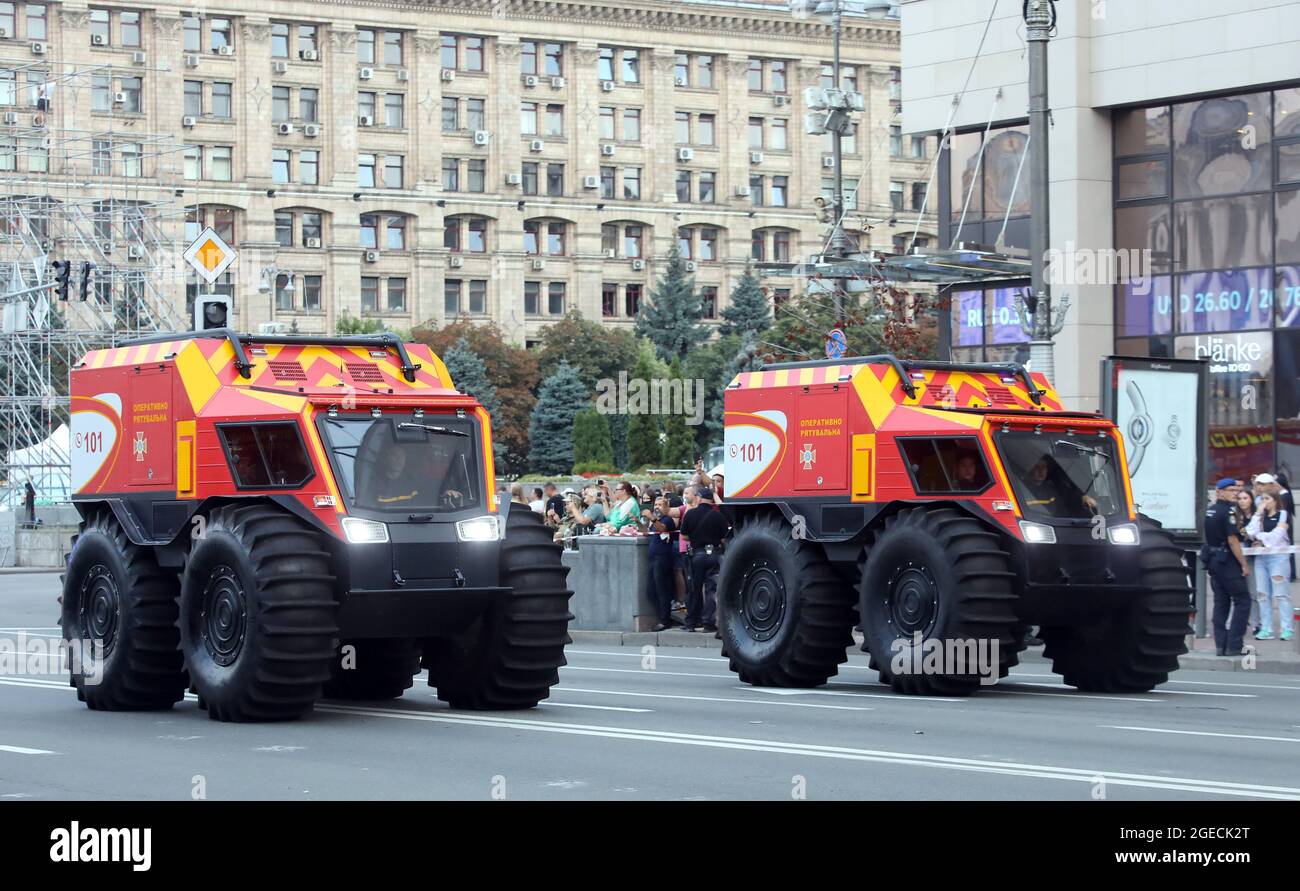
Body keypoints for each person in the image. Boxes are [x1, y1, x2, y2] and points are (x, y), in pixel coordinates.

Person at [1204, 478, 1252, 657]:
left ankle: (1220, 645)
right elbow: (1233, 540)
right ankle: (1234, 644)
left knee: (1221, 603)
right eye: (1230, 490)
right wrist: (1244, 564)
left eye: (1236, 490)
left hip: (1214, 560)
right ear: (1219, 491)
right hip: (1227, 561)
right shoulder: (1228, 512)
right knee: (1243, 600)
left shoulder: (1210, 510)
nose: (1235, 493)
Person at [1245, 491, 1294, 641]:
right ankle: (1266, 628)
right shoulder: (1260, 517)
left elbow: (1276, 537)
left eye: (1267, 498)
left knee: (1281, 594)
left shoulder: (1283, 514)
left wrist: (1260, 537)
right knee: (1262, 594)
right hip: (1261, 557)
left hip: (1278, 557)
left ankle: (1287, 628)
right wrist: (1257, 513)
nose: (1264, 502)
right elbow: (1249, 531)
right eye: (1261, 499)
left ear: (1275, 500)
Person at [679, 487, 728, 632]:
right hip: (713, 555)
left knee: (694, 589)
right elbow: (724, 538)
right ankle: (708, 622)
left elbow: (684, 536)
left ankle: (691, 622)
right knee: (711, 589)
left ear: (699, 498)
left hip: (697, 555)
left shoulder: (691, 514)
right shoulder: (718, 516)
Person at [1021, 455, 1097, 516]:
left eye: (1044, 467)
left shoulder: (1052, 491)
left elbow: (1063, 512)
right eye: (1037, 467)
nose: (1041, 471)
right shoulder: (1021, 488)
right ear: (1029, 468)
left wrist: (1083, 498)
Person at [646, 496, 679, 631]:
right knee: (651, 590)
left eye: (660, 504)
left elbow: (663, 529)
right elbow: (648, 532)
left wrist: (652, 518)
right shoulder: (657, 520)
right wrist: (638, 522)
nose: (657, 507)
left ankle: (665, 620)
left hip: (662, 558)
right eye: (656, 504)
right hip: (654, 558)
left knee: (662, 590)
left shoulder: (667, 519)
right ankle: (662, 616)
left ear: (666, 507)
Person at [1235, 488, 1260, 634]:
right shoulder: (1235, 516)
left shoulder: (1258, 516)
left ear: (1251, 499)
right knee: (1238, 592)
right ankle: (1239, 622)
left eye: (1245, 498)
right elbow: (1244, 534)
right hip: (1238, 556)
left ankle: (1256, 623)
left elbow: (1256, 533)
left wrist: (1258, 540)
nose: (1242, 501)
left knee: (1254, 592)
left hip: (1253, 557)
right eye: (1240, 498)